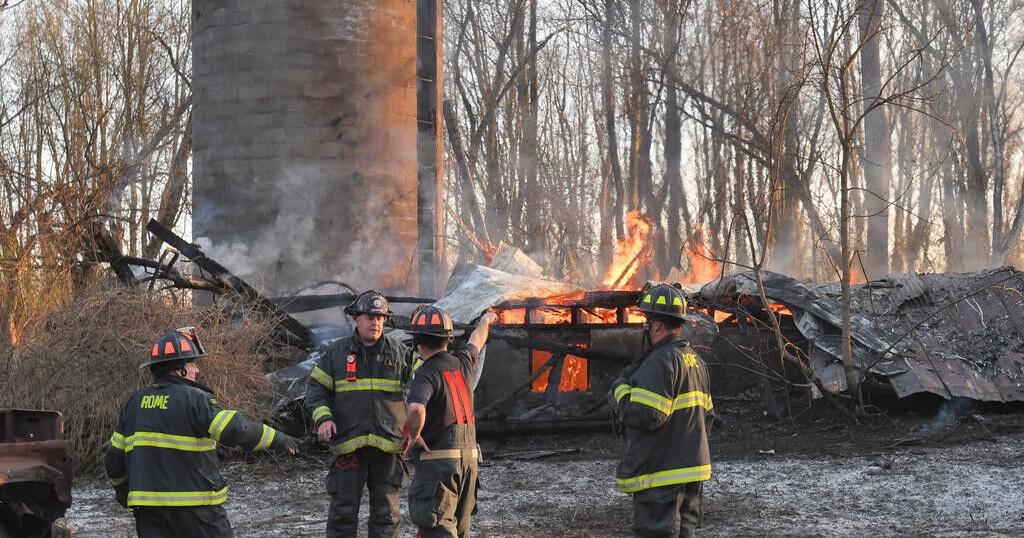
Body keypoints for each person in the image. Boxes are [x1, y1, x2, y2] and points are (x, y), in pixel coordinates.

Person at [104, 327, 299, 538]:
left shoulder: (133, 404)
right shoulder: (194, 399)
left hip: (149, 513)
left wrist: (123, 490)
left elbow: (114, 458)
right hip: (196, 510)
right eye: (192, 364)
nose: (197, 370)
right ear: (181, 370)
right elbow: (236, 430)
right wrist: (280, 439)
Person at [305, 290, 414, 538]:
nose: (375, 322)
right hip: (348, 445)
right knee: (342, 514)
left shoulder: (401, 354)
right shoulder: (336, 353)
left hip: (388, 447)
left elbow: (424, 386)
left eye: (380, 318)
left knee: (386, 517)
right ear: (356, 318)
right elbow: (315, 389)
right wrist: (324, 418)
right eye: (370, 317)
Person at [610, 284, 713, 538]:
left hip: (661, 477)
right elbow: (708, 417)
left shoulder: (659, 362)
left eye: (647, 320)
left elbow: (648, 415)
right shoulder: (695, 361)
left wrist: (620, 392)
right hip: (690, 473)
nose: (645, 327)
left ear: (656, 325)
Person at [403, 306, 497, 538]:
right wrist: (487, 319)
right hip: (470, 460)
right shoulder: (462, 362)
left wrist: (414, 437)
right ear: (448, 338)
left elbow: (415, 408)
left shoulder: (425, 373)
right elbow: (477, 338)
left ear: (418, 342)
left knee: (438, 528)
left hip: (438, 465)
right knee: (461, 528)